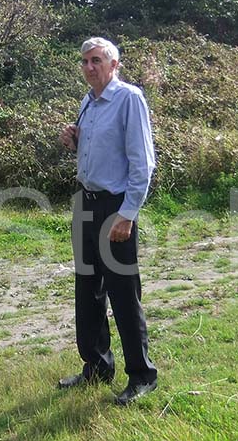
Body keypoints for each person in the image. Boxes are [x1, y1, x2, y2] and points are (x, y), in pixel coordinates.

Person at [57, 36, 158, 406]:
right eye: (84, 61)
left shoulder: (129, 99)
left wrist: (127, 215)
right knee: (88, 289)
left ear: (114, 65)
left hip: (115, 208)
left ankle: (142, 376)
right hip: (86, 204)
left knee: (122, 293)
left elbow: (142, 163)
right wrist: (76, 140)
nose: (89, 67)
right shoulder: (88, 102)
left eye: (96, 60)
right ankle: (96, 366)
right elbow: (100, 150)